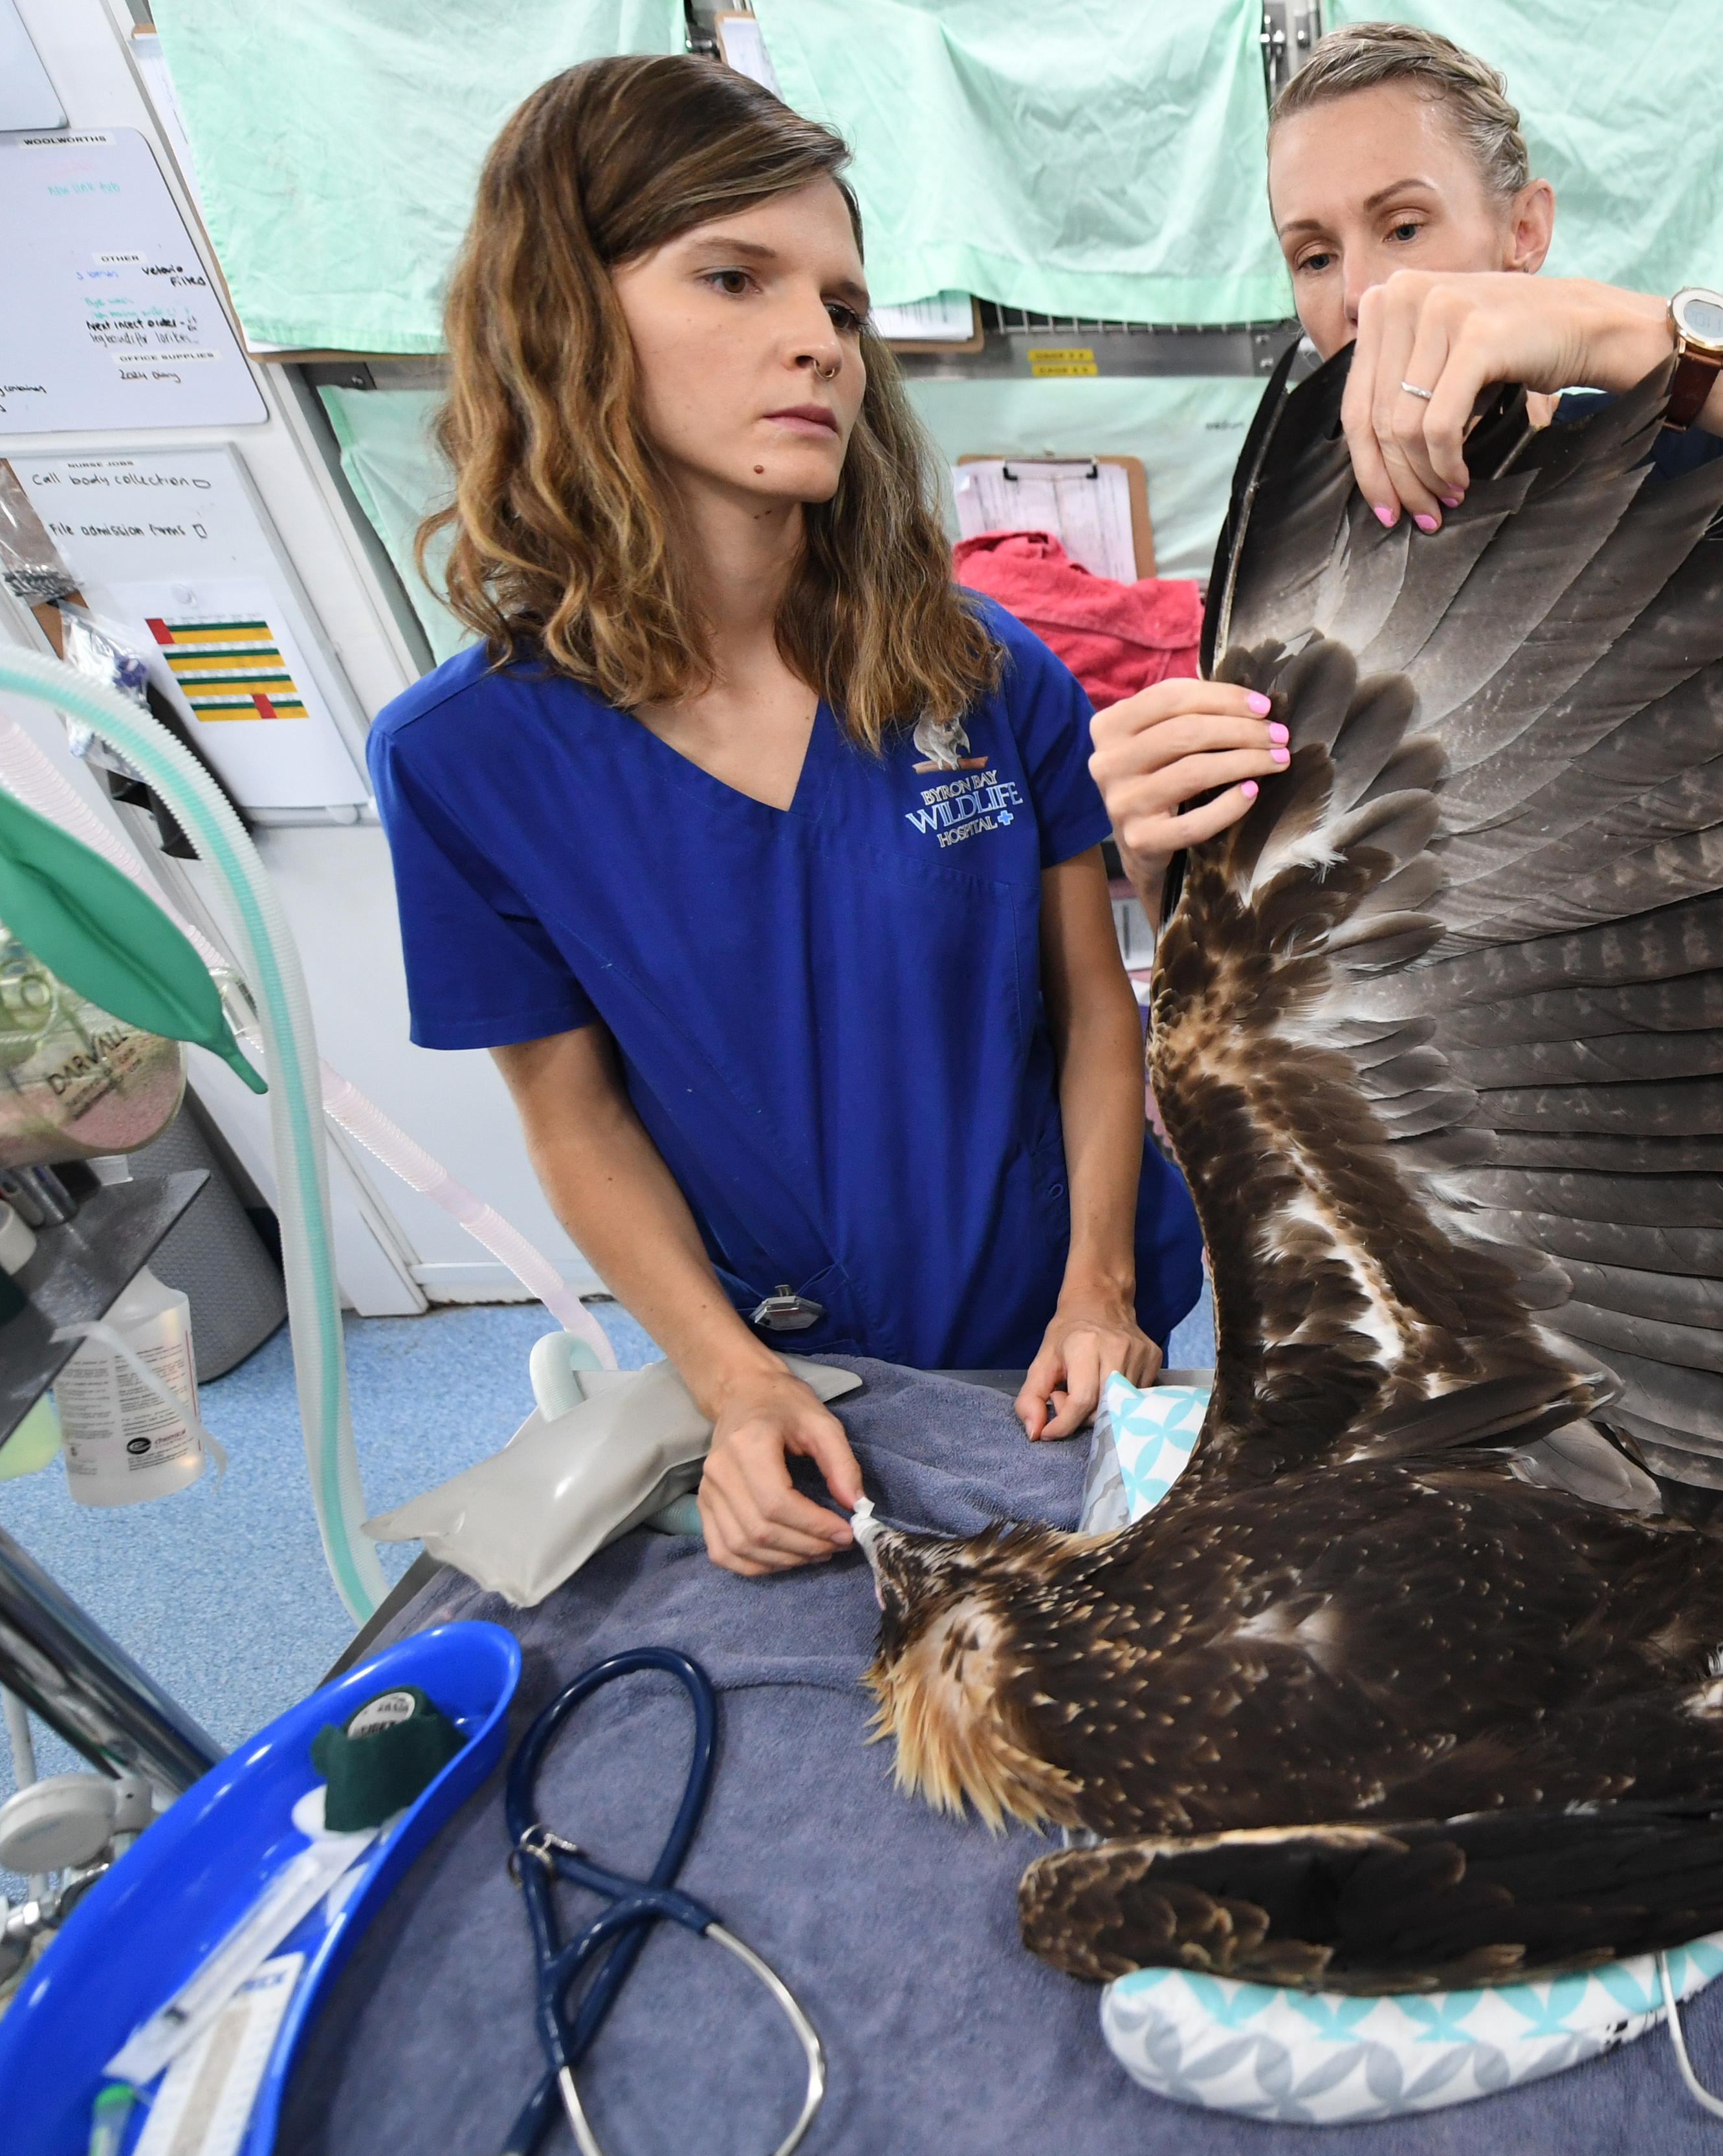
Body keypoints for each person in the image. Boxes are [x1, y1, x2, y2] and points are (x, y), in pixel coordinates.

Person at [367, 57, 1201, 1577]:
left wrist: (1101, 1282)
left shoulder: (983, 673)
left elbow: (1095, 1004)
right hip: (803, 1365)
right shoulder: (465, 758)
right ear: (565, 310)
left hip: (1074, 1310)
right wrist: (726, 1378)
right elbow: (575, 1116)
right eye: (735, 277)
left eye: (841, 305)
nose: (814, 343)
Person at [1092, 19, 1723, 909]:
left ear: (1524, 231)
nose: (1361, 293)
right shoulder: (1291, 554)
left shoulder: (1667, 474)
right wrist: (1161, 857)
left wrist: (1621, 331)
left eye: (1405, 226)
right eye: (1313, 256)